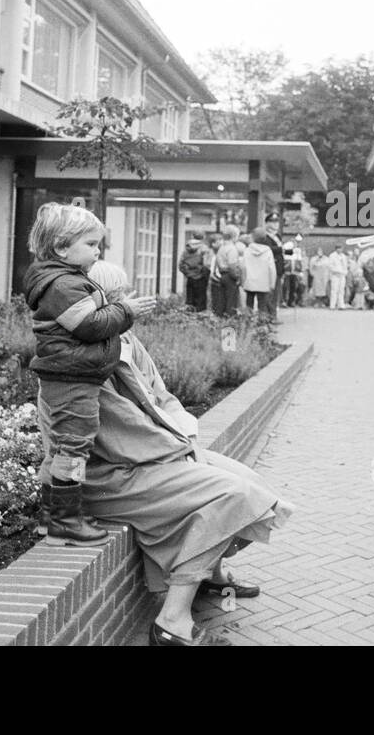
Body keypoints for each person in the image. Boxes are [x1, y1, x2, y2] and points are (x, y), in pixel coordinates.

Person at [47, 261, 293, 646]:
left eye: (124, 294)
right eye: (116, 297)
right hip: (116, 475)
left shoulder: (126, 341)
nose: (127, 303)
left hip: (155, 454)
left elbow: (162, 395)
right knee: (231, 495)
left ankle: (211, 576)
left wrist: (185, 437)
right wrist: (180, 450)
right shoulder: (84, 364)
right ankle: (171, 621)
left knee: (250, 482)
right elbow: (122, 433)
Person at [24, 203, 157, 545]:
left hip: (69, 377)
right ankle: (66, 522)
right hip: (73, 379)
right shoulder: (63, 285)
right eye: (91, 244)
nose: (98, 251)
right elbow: (89, 326)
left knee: (61, 446)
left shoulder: (64, 279)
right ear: (61, 247)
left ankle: (51, 516)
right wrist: (124, 310)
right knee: (74, 446)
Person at [240, 227, 278, 318]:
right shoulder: (268, 251)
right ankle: (262, 322)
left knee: (249, 304)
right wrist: (272, 284)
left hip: (249, 281)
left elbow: (243, 267)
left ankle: (248, 321)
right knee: (262, 305)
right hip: (263, 282)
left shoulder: (247, 250)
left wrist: (243, 281)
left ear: (253, 238)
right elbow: (272, 268)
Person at [208, 225, 242, 318]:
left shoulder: (221, 248)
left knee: (222, 301)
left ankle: (221, 319)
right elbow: (232, 265)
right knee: (231, 301)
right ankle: (230, 320)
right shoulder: (232, 248)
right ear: (234, 236)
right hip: (230, 276)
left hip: (222, 275)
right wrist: (237, 277)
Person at [178, 234, 210, 311]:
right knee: (200, 301)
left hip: (190, 278)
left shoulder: (186, 249)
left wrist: (188, 274)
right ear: (203, 237)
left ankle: (189, 314)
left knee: (190, 300)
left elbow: (181, 265)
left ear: (192, 236)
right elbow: (206, 264)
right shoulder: (204, 249)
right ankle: (199, 314)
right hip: (201, 277)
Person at [263, 214, 286, 319]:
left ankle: (273, 315)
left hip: (279, 268)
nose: (275, 224)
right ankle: (270, 316)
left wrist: (288, 250)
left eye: (277, 221)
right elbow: (269, 249)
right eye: (272, 221)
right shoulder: (265, 236)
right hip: (271, 267)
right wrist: (282, 249)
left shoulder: (277, 236)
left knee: (276, 293)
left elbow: (280, 251)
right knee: (270, 293)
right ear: (267, 223)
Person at [327, 244, 348, 309]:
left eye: (341, 248)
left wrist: (345, 272)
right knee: (334, 290)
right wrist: (337, 271)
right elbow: (330, 266)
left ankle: (341, 305)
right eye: (338, 248)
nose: (340, 250)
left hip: (342, 276)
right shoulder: (332, 256)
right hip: (335, 275)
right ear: (336, 249)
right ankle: (332, 305)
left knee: (341, 291)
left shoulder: (343, 256)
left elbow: (345, 266)